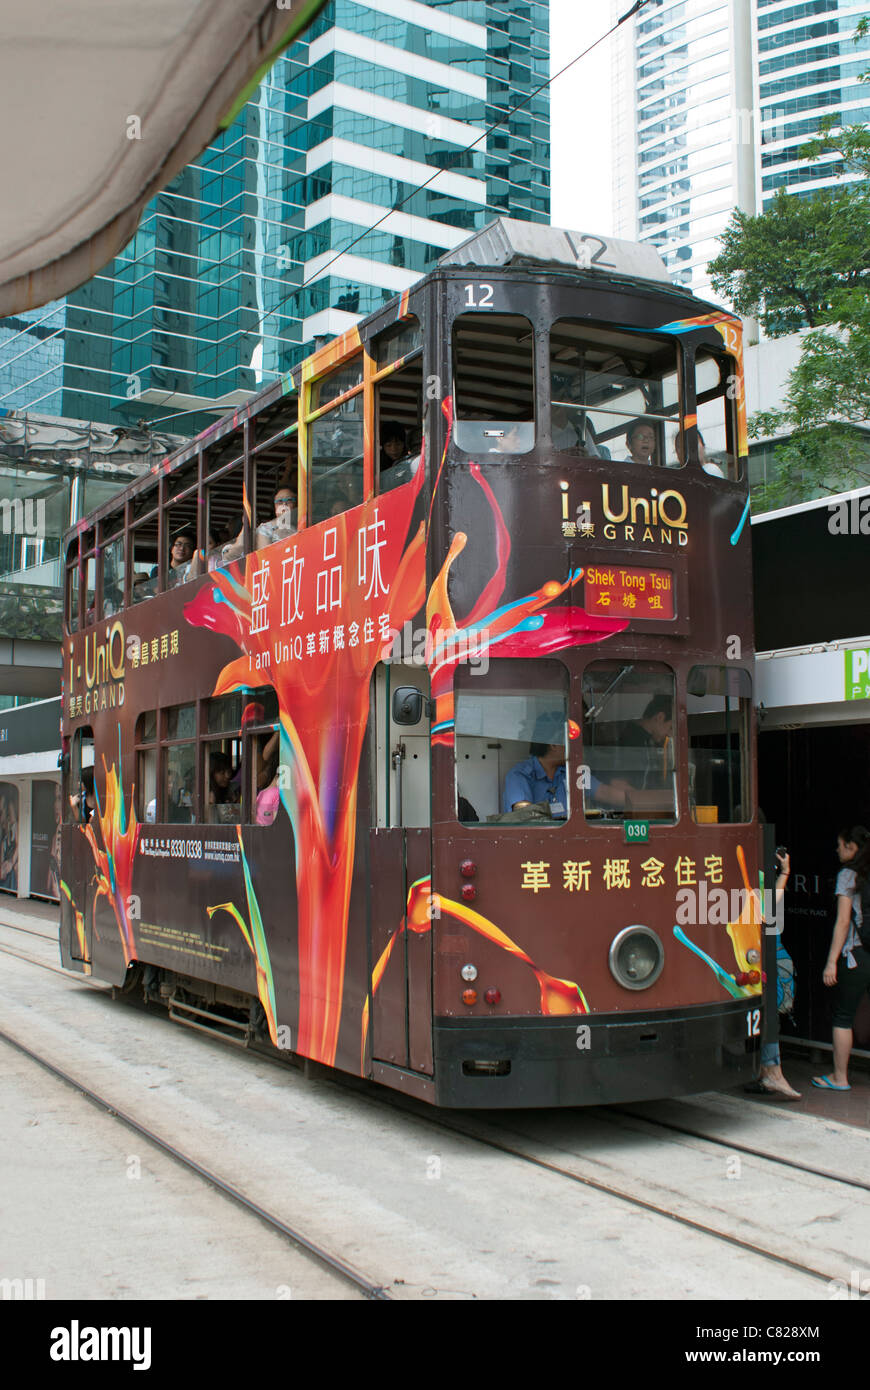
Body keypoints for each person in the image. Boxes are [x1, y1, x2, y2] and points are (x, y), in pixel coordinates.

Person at [812, 825, 870, 1092]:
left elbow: (843, 922)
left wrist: (831, 961)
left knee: (843, 1016)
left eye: (840, 845)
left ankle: (839, 1077)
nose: (837, 850)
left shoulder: (848, 875)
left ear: (852, 847)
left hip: (855, 955)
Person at [749, 849, 801, 1099]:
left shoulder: (742, 867)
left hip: (755, 952)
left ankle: (764, 1071)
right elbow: (768, 909)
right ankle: (773, 1073)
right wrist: (785, 872)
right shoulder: (756, 872)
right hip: (762, 954)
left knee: (763, 1012)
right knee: (769, 1014)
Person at [503, 713, 629, 816]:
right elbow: (524, 814)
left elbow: (604, 792)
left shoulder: (574, 772)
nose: (577, 747)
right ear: (553, 745)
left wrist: (644, 802)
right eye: (570, 741)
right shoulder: (519, 775)